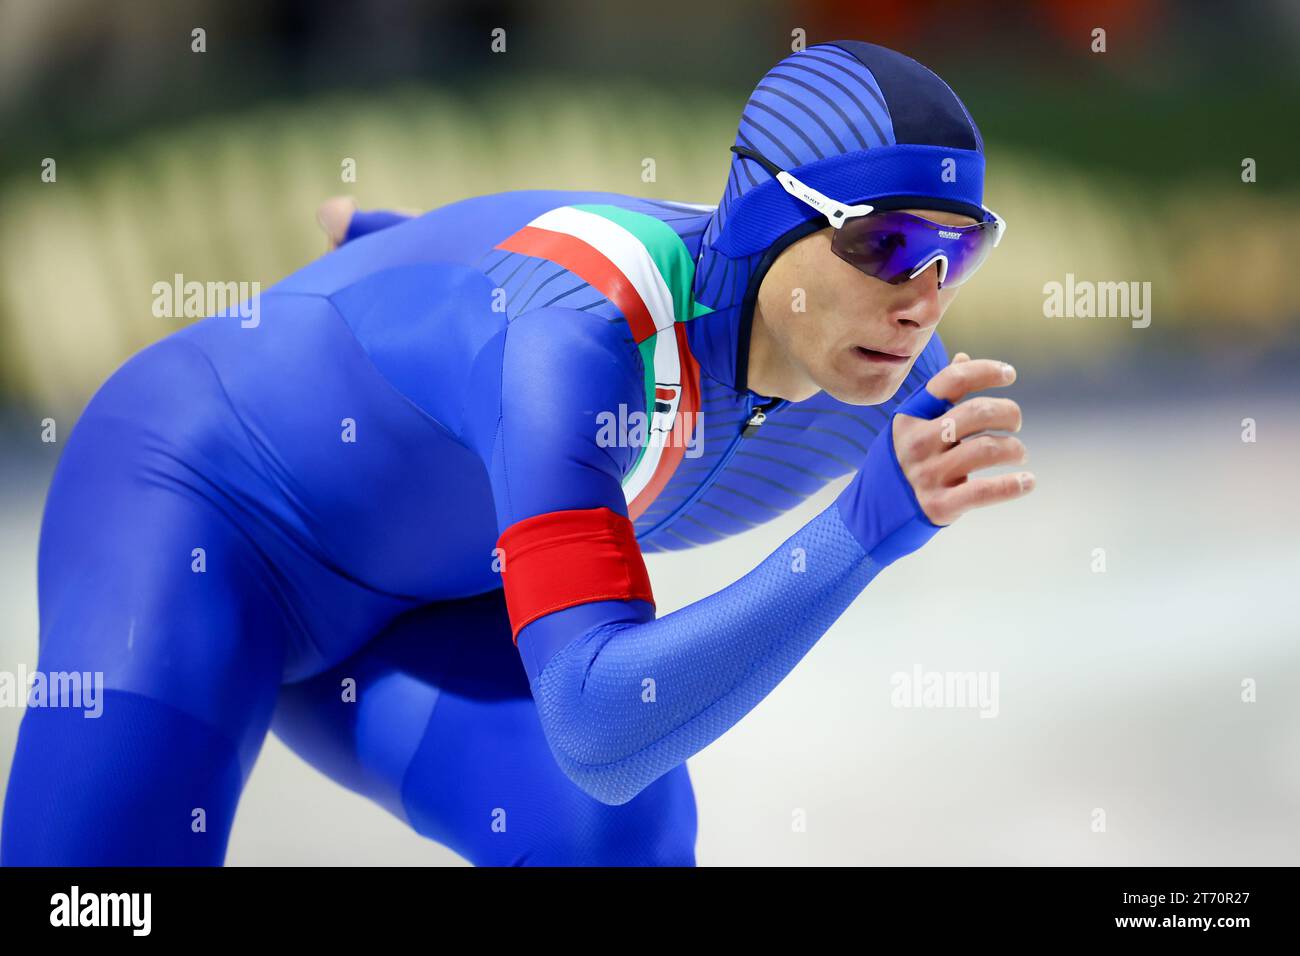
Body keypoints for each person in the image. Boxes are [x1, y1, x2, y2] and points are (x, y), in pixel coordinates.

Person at [1, 40, 1030, 866]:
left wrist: (414, 274)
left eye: (959, 250)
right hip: (195, 516)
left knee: (614, 839)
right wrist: (859, 532)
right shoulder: (584, 332)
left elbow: (602, 769)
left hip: (430, 598)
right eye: (887, 243)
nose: (923, 295)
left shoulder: (898, 382)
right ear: (768, 211)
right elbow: (595, 716)